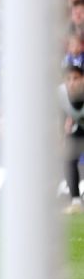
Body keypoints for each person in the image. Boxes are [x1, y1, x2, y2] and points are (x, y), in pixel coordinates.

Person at [59, 63, 84, 214]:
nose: (72, 82)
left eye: (76, 78)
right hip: (79, 127)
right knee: (68, 157)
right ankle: (75, 201)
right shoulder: (60, 93)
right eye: (68, 79)